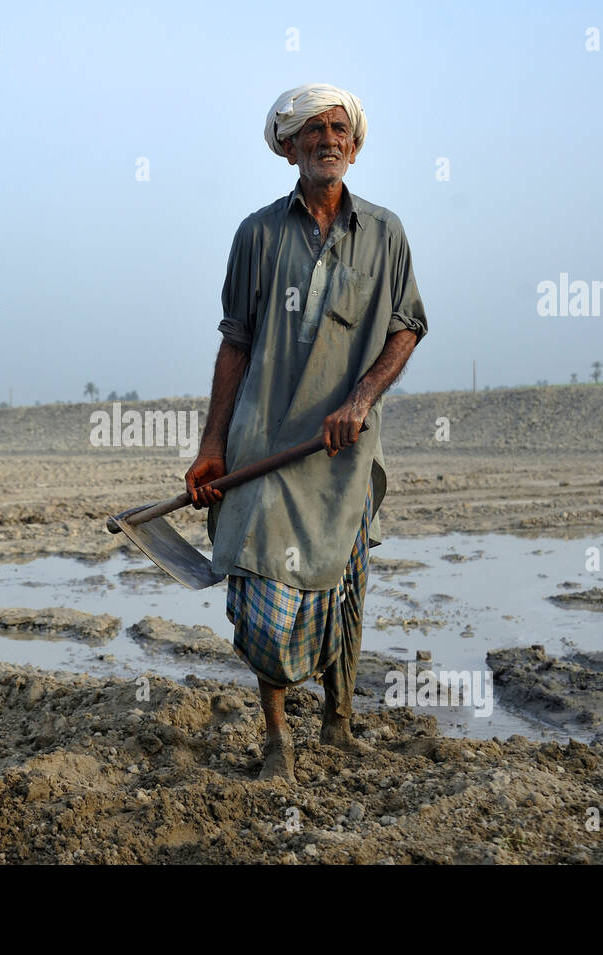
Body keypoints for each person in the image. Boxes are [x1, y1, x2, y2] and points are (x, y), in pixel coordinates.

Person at [185, 83, 429, 781]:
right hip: (264, 451)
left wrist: (362, 396)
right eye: (313, 130)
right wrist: (211, 446)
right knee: (265, 604)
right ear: (289, 148)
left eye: (339, 128)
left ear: (354, 145)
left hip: (343, 455)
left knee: (343, 592)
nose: (328, 138)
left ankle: (339, 723)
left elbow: (407, 325)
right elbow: (235, 343)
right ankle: (276, 738)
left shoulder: (386, 234)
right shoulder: (258, 235)